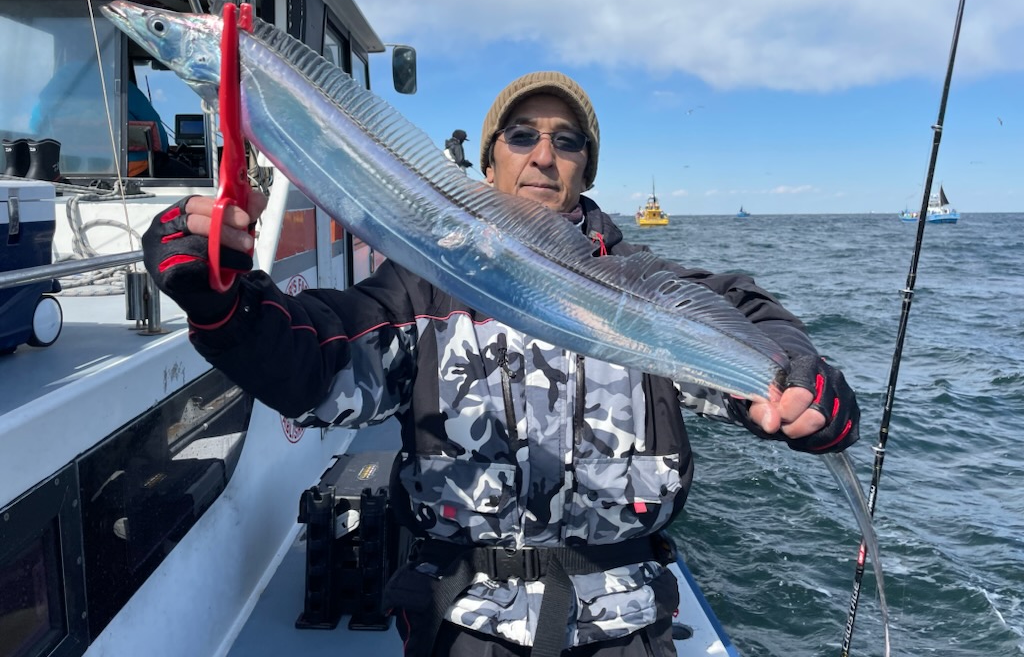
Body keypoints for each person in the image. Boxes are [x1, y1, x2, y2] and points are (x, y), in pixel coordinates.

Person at [142, 71, 859, 657]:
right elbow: (318, 362)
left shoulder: (644, 294)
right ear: (491, 162)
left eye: (566, 141)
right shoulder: (424, 287)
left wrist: (803, 382)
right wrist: (222, 304)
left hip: (630, 625)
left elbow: (745, 314)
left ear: (585, 168)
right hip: (466, 624)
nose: (543, 155)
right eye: (522, 136)